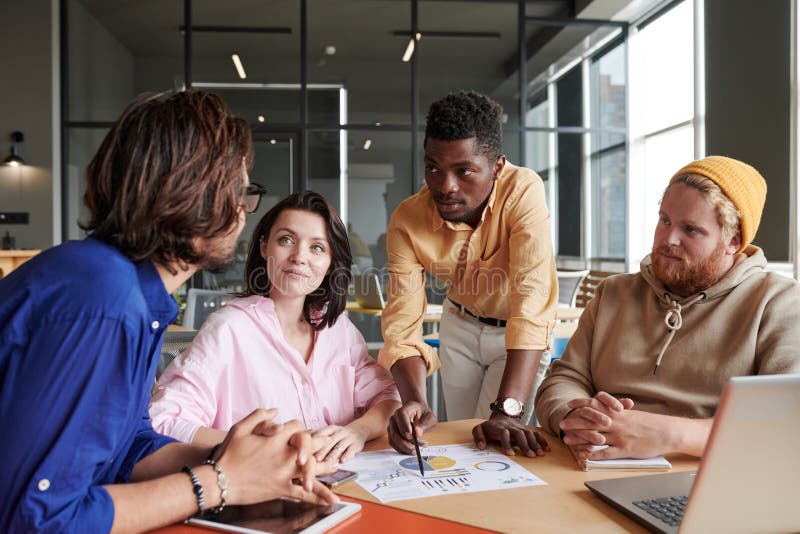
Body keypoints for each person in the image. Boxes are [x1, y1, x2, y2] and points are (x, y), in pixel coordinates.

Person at [0, 90, 336, 533]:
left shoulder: (129, 291)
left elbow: (127, 449)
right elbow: (36, 520)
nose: (242, 210)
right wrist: (220, 482)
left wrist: (235, 457)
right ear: (193, 192)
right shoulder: (103, 302)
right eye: (239, 190)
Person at [535, 155, 800, 460]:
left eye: (690, 229)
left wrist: (667, 434)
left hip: (704, 474)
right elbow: (563, 380)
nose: (668, 238)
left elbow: (787, 421)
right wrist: (575, 418)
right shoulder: (613, 293)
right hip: (595, 464)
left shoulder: (777, 302)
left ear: (733, 241)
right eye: (665, 221)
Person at [150, 191, 401, 464]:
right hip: (258, 492)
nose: (299, 257)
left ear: (330, 265)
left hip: (345, 484)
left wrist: (357, 432)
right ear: (263, 247)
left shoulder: (338, 329)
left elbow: (388, 397)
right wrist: (262, 445)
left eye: (317, 247)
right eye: (286, 240)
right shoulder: (229, 329)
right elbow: (164, 420)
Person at [380, 91, 557, 458]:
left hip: (516, 335)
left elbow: (531, 303)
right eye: (433, 168)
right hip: (459, 325)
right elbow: (402, 322)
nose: (446, 186)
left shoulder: (523, 191)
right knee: (465, 440)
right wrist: (414, 402)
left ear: (496, 166)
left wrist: (508, 411)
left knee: (498, 445)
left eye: (464, 171)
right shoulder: (407, 220)